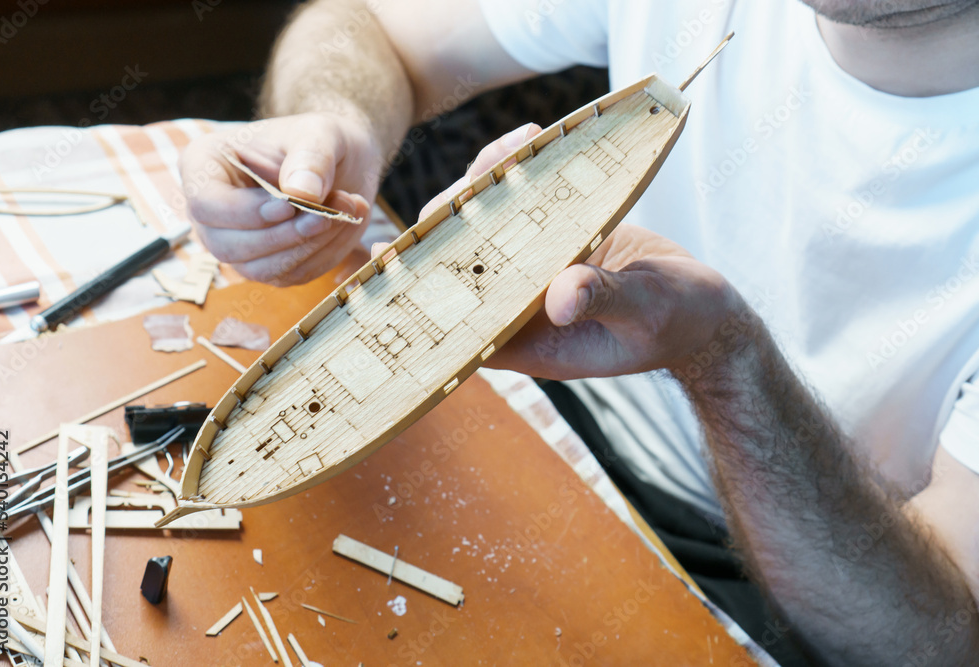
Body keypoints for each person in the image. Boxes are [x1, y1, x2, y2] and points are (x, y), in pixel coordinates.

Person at [178, 1, 979, 664]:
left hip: (761, 580)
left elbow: (926, 641)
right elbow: (365, 27)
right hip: (536, 421)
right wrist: (339, 125)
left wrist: (724, 360)